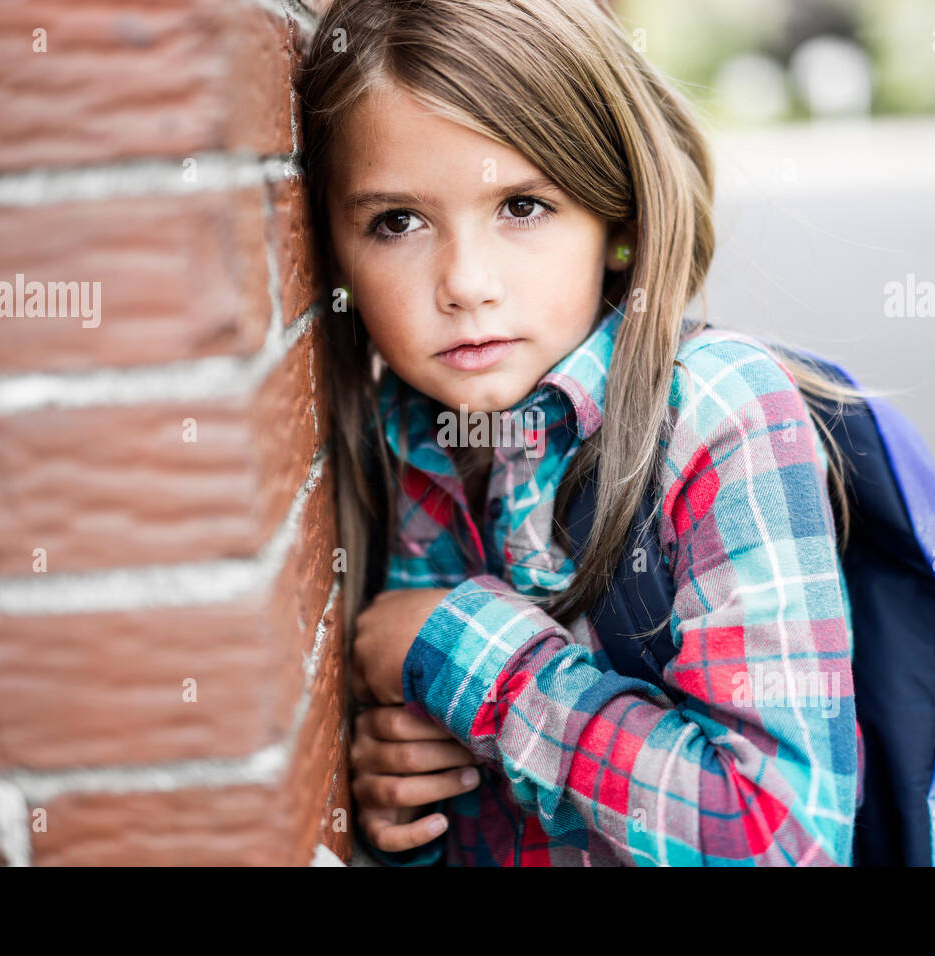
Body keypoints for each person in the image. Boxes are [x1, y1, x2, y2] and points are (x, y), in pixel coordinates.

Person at [299, 0, 876, 866]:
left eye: (523, 206)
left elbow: (779, 839)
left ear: (619, 220)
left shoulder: (719, 416)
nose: (465, 282)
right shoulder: (405, 434)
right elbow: (455, 788)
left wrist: (468, 654)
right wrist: (403, 808)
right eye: (398, 222)